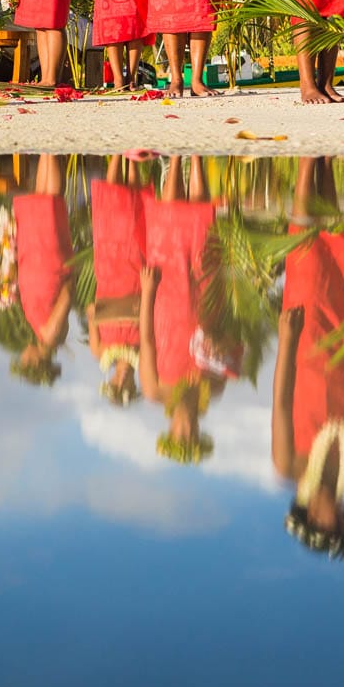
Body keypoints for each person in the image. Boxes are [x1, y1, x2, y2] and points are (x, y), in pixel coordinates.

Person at [272, 156, 344, 558]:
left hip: (307, 347)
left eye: (337, 526)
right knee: (339, 252)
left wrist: (286, 340)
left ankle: (305, 164)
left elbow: (281, 403)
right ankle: (326, 164)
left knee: (308, 257)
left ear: (313, 514)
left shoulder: (289, 467)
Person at [140, 155, 236, 463]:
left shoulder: (155, 392)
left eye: (181, 434)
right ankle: (195, 156)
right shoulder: (215, 389)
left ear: (170, 429)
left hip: (165, 302)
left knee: (170, 224)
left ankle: (176, 155)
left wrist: (147, 293)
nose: (188, 428)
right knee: (200, 231)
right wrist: (218, 341)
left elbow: (146, 342)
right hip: (206, 302)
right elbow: (235, 342)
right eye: (193, 434)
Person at [86, 154, 154, 404]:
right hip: (137, 282)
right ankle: (134, 159)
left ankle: (116, 155)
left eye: (116, 383)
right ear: (133, 384)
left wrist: (105, 314)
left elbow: (90, 312)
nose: (122, 380)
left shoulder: (99, 352)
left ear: (111, 381)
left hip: (111, 276)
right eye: (126, 385)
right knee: (136, 225)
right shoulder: (145, 356)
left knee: (111, 217)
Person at [11, 153, 74, 385]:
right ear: (36, 361)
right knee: (52, 203)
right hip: (50, 265)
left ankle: (46, 153)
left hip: (37, 263)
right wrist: (68, 274)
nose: (23, 355)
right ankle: (51, 151)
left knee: (40, 203)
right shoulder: (51, 336)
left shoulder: (43, 335)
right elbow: (67, 297)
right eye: (25, 360)